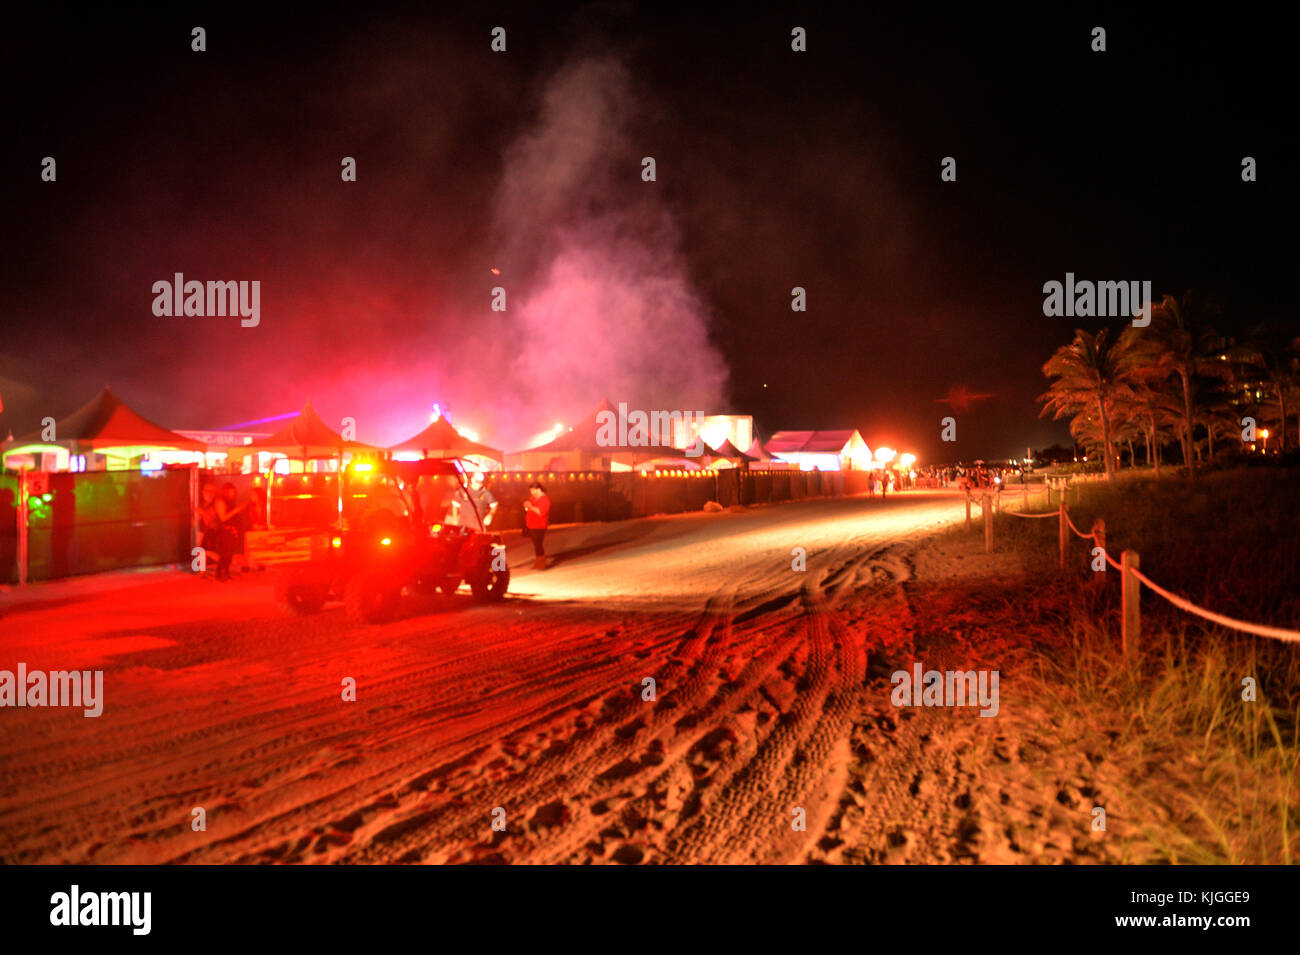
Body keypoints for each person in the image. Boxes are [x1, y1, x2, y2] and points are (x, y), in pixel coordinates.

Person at [523, 481, 550, 569]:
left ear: (538, 489)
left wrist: (530, 507)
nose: (531, 493)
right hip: (532, 525)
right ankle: (539, 562)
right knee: (536, 544)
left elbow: (541, 512)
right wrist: (527, 506)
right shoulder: (533, 499)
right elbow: (529, 509)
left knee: (538, 544)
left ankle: (541, 563)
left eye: (532, 491)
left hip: (539, 526)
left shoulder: (544, 499)